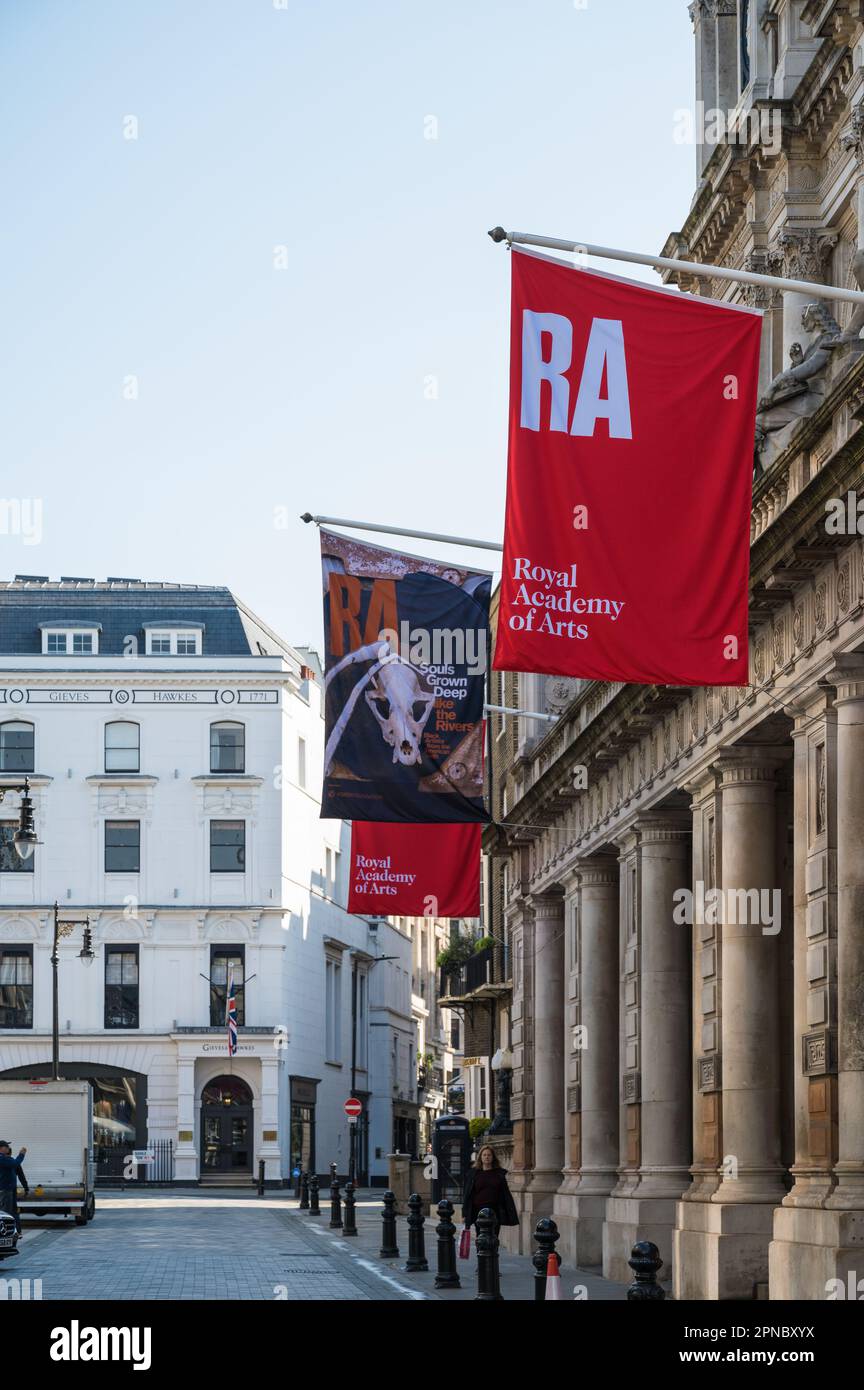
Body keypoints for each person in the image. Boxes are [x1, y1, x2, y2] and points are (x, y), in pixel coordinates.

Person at [461, 1143, 518, 1234]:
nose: (487, 1157)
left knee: (494, 1238)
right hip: (478, 1211)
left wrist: (509, 1212)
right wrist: (464, 1213)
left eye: (489, 1155)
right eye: (484, 1155)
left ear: (493, 1157)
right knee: (481, 1238)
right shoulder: (473, 1174)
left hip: (495, 1211)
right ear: (480, 1157)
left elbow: (505, 1194)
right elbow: (467, 1194)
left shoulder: (499, 1174)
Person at [0, 1141, 28, 1235]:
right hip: (6, 1190)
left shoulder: (8, 1160)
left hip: (10, 1189)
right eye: (6, 1146)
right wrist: (21, 1154)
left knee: (13, 1211)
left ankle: (17, 1232)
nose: (8, 1148)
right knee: (6, 1213)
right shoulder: (2, 1159)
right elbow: (15, 1164)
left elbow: (20, 1174)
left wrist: (25, 1187)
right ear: (1, 1148)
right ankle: (6, 1234)